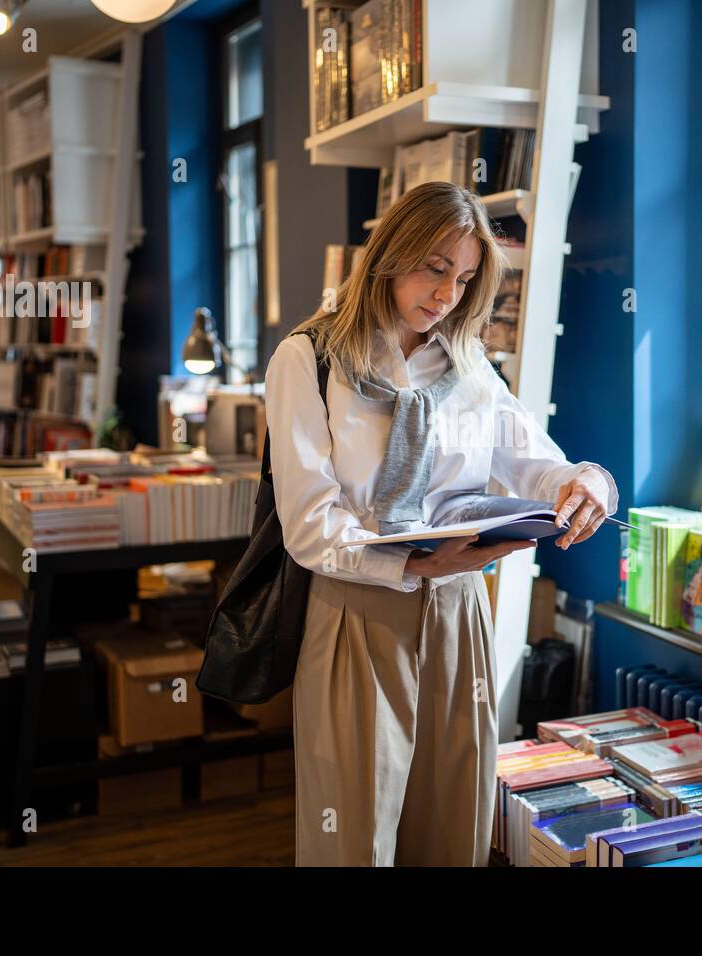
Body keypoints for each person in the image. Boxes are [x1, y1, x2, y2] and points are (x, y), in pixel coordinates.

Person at [264, 181, 618, 866]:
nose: (447, 294)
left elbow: (538, 465)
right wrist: (412, 562)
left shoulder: (468, 364)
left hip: (459, 614)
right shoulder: (308, 360)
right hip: (356, 618)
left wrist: (588, 482)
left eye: (464, 277)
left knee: (455, 820)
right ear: (391, 256)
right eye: (435, 268)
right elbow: (309, 524)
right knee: (355, 836)